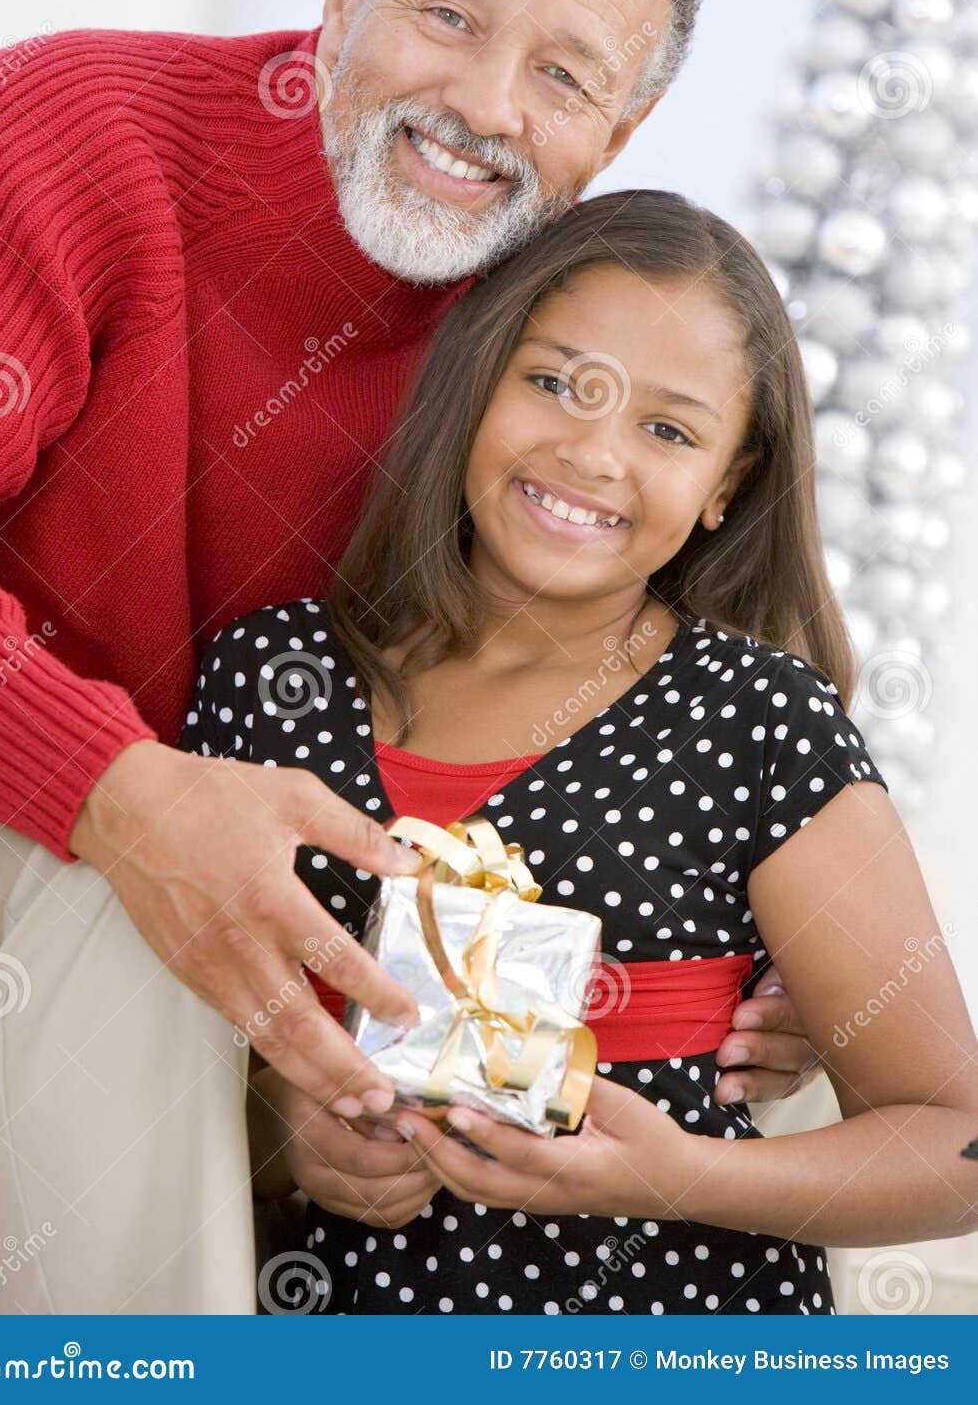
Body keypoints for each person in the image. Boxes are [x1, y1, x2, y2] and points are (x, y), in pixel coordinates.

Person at [0, 0, 812, 1313]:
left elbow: (651, 679)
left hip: (244, 858)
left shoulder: (552, 355)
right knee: (134, 909)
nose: (479, 103)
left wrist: (758, 935)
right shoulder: (64, 132)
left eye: (562, 74)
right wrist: (120, 794)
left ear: (620, 129)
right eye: (446, 14)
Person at [183, 189, 978, 1315]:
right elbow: (157, 1044)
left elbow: (952, 1143)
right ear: (475, 382)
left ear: (726, 487)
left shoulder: (758, 721)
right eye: (553, 382)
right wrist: (280, 1127)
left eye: (667, 429)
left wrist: (683, 1174)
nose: (591, 453)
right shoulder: (267, 681)